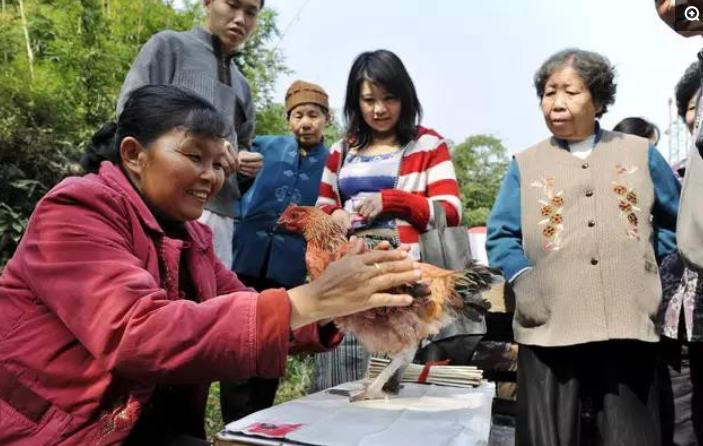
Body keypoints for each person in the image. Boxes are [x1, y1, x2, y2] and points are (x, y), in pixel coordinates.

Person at [0, 85, 421, 445]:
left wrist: (342, 307)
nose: (211, 176)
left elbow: (248, 308)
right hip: (54, 432)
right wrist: (314, 298)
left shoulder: (191, 237)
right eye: (194, 156)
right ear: (133, 154)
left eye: (220, 164)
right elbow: (136, 332)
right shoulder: (76, 209)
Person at [487, 48, 680, 446]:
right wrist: (525, 281)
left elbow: (674, 220)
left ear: (599, 100)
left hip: (627, 325)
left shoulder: (640, 154)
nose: (556, 103)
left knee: (633, 436)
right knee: (549, 438)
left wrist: (652, 272)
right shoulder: (525, 163)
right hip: (550, 326)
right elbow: (500, 234)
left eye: (569, 92)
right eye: (547, 92)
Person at [313, 49, 462, 391]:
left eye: (389, 98)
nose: (379, 109)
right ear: (356, 101)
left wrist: (392, 201)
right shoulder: (342, 148)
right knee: (340, 375)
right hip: (349, 276)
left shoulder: (428, 144)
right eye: (369, 100)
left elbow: (449, 210)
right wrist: (333, 214)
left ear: (405, 98)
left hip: (404, 278)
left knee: (393, 377)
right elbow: (321, 206)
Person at [117, 0, 265, 268]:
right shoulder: (169, 47)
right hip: (157, 205)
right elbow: (131, 114)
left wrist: (242, 160)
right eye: (232, 5)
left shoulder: (242, 86)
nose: (240, 19)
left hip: (219, 213)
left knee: (211, 301)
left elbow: (242, 141)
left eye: (251, 12)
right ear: (208, 3)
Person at [220, 80, 331, 422]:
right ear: (288, 120)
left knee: (271, 343)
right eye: (298, 115)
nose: (305, 122)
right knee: (238, 339)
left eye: (313, 114)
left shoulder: (332, 162)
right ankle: (233, 426)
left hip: (289, 270)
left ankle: (259, 421)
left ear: (326, 119)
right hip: (245, 260)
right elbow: (231, 179)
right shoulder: (264, 148)